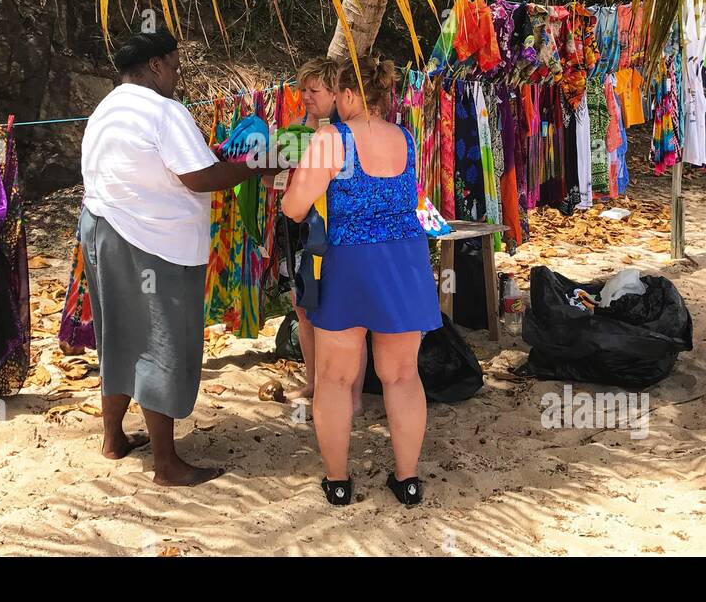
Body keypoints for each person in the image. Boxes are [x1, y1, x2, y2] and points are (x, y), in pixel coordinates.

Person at [79, 28, 267, 487]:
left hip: (102, 229)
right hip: (150, 243)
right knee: (161, 342)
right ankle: (167, 465)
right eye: (176, 65)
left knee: (119, 337)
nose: (179, 74)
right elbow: (200, 178)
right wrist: (259, 165)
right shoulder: (164, 111)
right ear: (157, 66)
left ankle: (113, 439)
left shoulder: (108, 106)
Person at [281, 55, 441, 507]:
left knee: (334, 378)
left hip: (350, 263)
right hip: (406, 263)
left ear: (349, 94)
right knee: (403, 376)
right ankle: (407, 481)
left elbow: (294, 207)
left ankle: (338, 483)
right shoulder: (406, 138)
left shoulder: (333, 138)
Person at [285, 58, 365, 412]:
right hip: (310, 231)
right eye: (302, 89)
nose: (305, 96)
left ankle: (353, 396)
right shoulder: (304, 127)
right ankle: (315, 383)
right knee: (303, 306)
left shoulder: (344, 133)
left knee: (348, 319)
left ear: (337, 93)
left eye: (313, 90)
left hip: (338, 237)